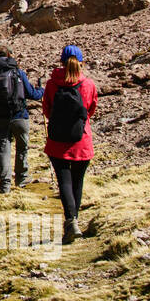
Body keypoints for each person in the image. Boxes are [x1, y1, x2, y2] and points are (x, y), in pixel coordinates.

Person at [42, 44, 99, 244]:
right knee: (77, 181)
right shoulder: (88, 84)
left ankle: (70, 221)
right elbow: (91, 109)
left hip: (57, 141)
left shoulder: (51, 84)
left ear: (61, 62)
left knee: (64, 181)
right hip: (82, 140)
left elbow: (47, 110)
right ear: (81, 62)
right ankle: (75, 220)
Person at [0, 45, 43, 193]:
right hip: (19, 116)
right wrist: (41, 90)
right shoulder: (18, 72)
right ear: (9, 55)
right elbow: (32, 94)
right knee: (22, 147)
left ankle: (5, 185)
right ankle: (21, 179)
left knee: (3, 150)